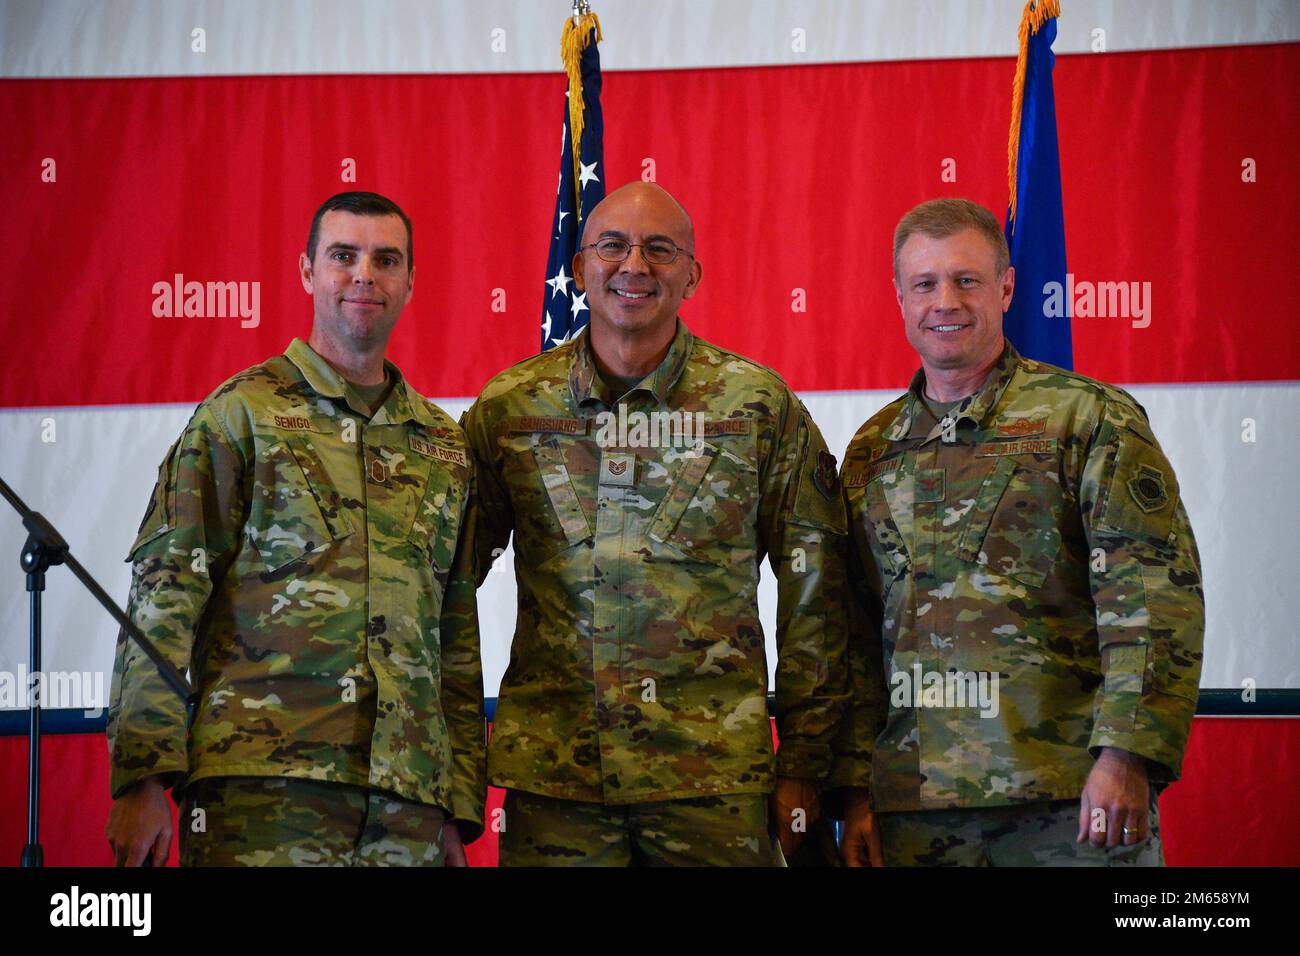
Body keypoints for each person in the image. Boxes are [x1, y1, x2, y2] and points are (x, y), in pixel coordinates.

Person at [462, 181, 848, 866]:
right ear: (580, 268)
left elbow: (816, 591)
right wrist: (451, 764)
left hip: (712, 781)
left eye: (660, 250)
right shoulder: (511, 409)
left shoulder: (756, 408)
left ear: (691, 276)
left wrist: (806, 762)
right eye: (612, 246)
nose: (634, 265)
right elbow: (443, 581)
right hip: (558, 785)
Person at [105, 191, 485, 867]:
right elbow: (165, 592)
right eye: (343, 256)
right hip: (262, 794)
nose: (364, 274)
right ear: (308, 272)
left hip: (408, 804)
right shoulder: (241, 415)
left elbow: (453, 632)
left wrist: (455, 805)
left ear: (409, 282)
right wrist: (142, 775)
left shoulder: (442, 445)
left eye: (385, 260)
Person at [829, 198, 1204, 867]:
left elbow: (1154, 599)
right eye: (925, 283)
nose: (945, 301)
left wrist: (1127, 755)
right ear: (900, 297)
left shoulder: (1087, 419)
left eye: (966, 280)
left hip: (1067, 800)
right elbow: (855, 635)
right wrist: (858, 789)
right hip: (914, 810)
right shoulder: (872, 451)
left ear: (1005, 288)